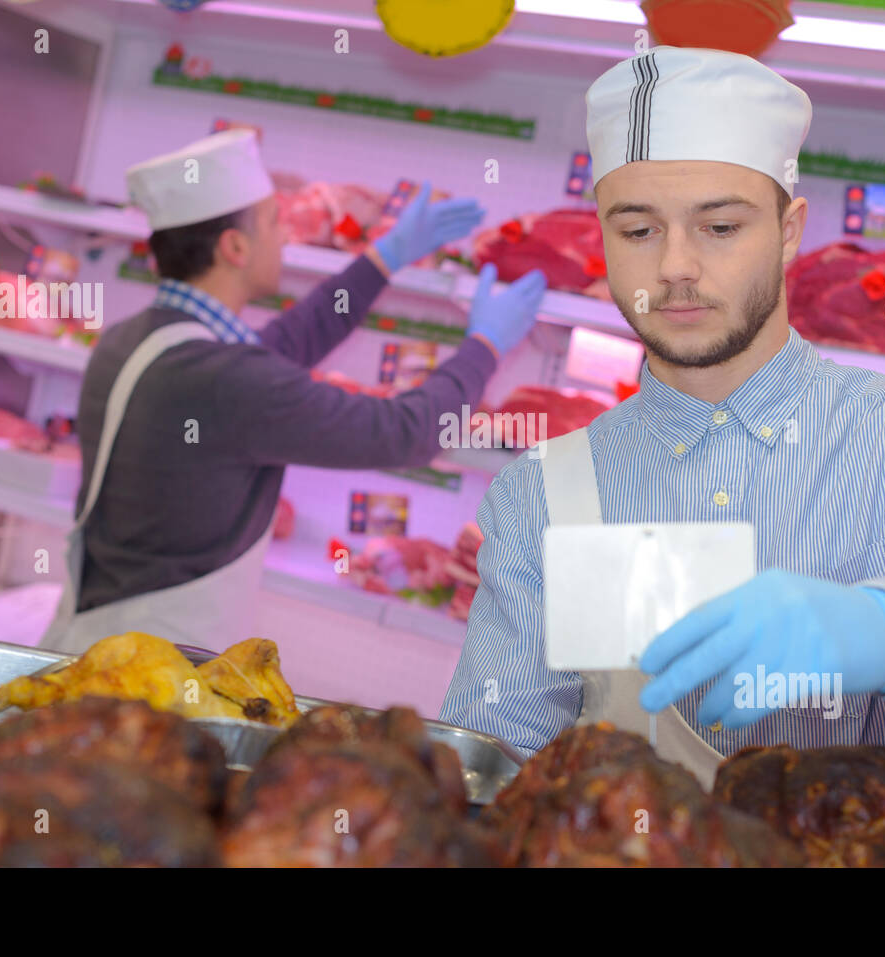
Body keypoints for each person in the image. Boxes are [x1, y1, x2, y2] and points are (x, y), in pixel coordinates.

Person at [440, 47, 885, 794]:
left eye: (720, 226)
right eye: (639, 230)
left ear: (788, 231)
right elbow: (492, 763)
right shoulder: (541, 493)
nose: (676, 266)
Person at [41, 129, 546, 654]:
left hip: (94, 633)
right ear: (235, 247)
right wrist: (484, 345)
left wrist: (385, 259)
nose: (285, 236)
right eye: (274, 223)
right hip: (160, 666)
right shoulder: (225, 379)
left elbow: (284, 345)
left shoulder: (136, 339)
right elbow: (409, 434)